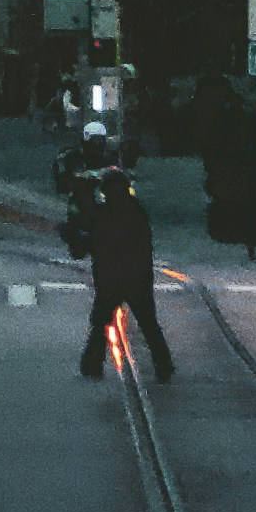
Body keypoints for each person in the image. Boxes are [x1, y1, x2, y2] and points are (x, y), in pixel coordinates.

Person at [79, 160, 174, 386]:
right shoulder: (136, 210)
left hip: (110, 279)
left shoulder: (102, 213)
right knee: (148, 324)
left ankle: (92, 366)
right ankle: (164, 366)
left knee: (100, 323)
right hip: (136, 279)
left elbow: (89, 243)